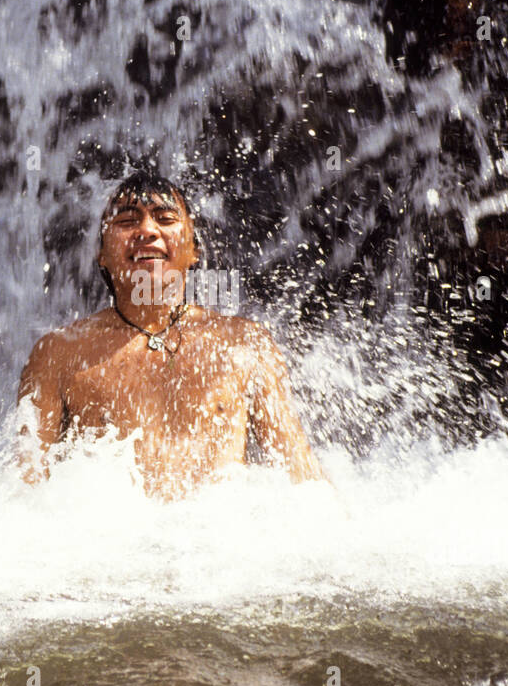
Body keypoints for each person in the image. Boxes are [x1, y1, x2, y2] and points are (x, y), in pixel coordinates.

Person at [17, 171, 328, 499]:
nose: (147, 231)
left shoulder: (245, 345)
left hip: (218, 542)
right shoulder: (58, 353)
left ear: (193, 249)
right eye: (127, 221)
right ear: (102, 254)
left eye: (165, 219)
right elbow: (26, 491)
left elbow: (304, 482)